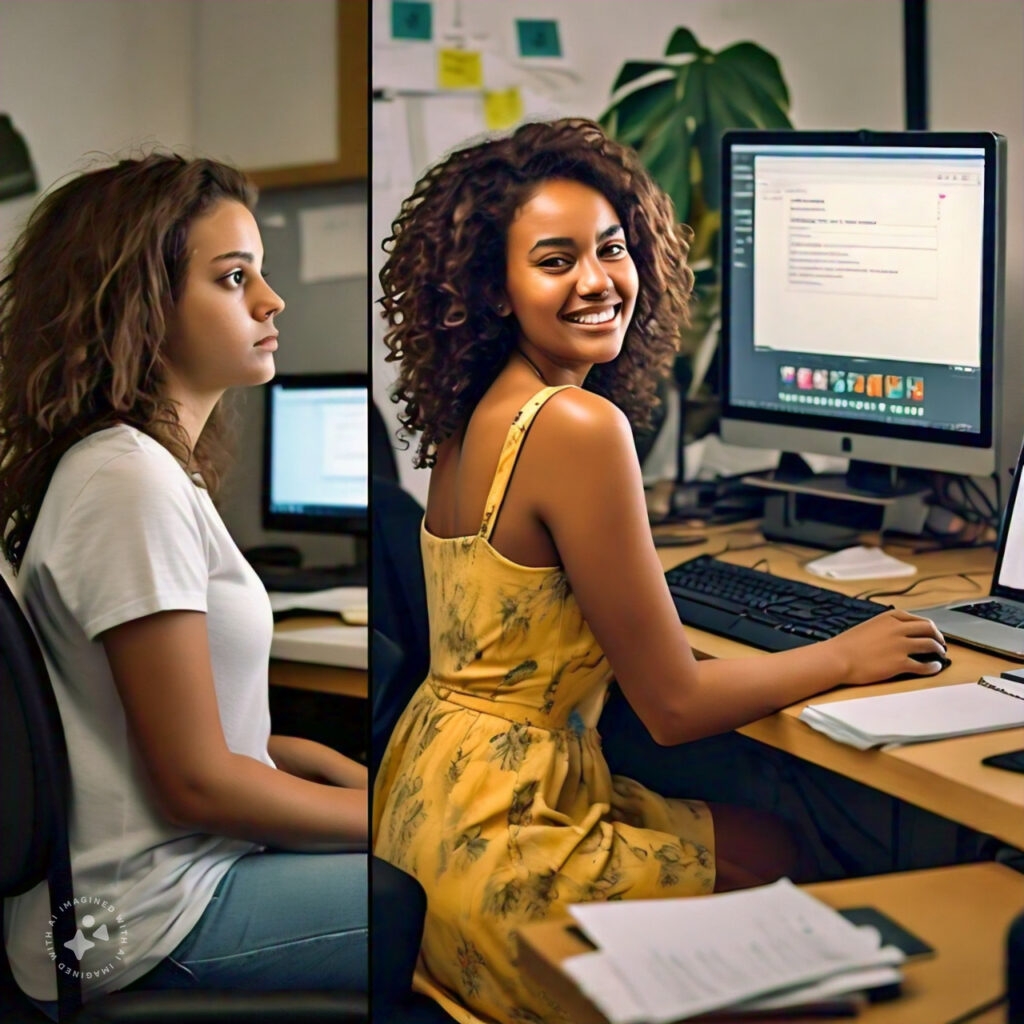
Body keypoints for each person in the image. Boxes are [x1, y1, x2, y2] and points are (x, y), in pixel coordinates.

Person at [372, 118, 947, 1024]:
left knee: (771, 838)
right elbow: (673, 705)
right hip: (513, 842)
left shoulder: (478, 414)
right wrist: (845, 653)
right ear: (494, 288)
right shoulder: (576, 427)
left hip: (430, 811)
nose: (599, 281)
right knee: (826, 888)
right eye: (556, 261)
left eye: (611, 249)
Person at [0, 154, 367, 1017]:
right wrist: (402, 822)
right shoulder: (126, 482)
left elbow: (182, 736)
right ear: (140, 306)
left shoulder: (140, 467)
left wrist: (325, 766)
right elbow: (194, 782)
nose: (271, 301)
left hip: (165, 883)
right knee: (451, 884)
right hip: (143, 918)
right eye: (234, 278)